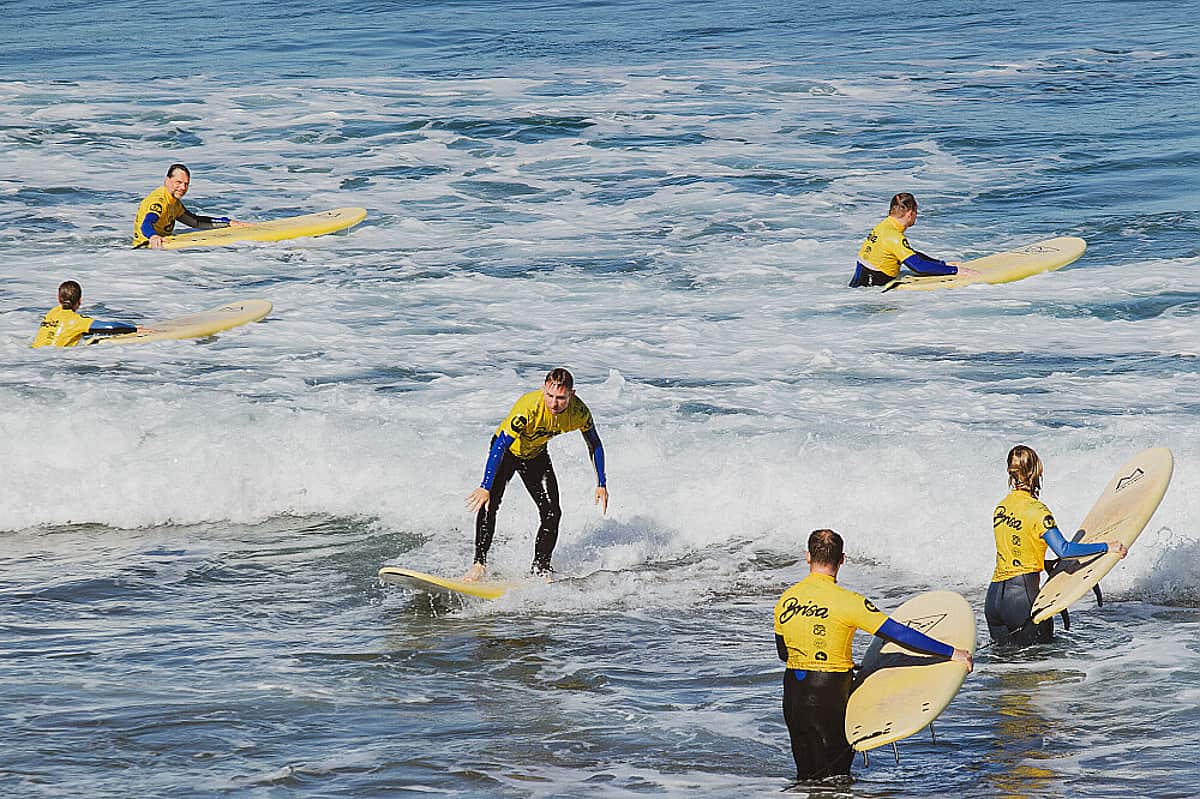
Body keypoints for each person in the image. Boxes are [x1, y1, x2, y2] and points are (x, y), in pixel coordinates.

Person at [774, 529, 973, 784]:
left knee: (806, 779)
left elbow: (783, 653)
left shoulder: (786, 599)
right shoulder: (849, 602)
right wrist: (950, 652)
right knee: (837, 779)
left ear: (807, 557)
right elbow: (898, 633)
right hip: (829, 695)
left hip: (793, 694)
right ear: (842, 559)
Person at [463, 368, 608, 581]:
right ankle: (479, 564)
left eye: (561, 398)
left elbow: (594, 443)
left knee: (552, 513)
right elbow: (501, 445)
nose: (554, 404)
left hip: (536, 455)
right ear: (543, 390)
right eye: (549, 396)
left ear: (572, 394)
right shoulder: (528, 408)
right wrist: (485, 486)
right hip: (506, 453)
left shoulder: (579, 413)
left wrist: (601, 483)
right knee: (489, 503)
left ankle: (540, 569)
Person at [986, 445, 1127, 646]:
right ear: (1036, 472)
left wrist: (1044, 563)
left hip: (993, 601)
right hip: (1021, 601)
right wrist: (1107, 547)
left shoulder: (1001, 507)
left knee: (1005, 666)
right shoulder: (1037, 511)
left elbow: (1015, 551)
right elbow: (1064, 549)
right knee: (1041, 666)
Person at [849, 192, 975, 287]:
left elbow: (910, 254)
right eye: (916, 212)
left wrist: (941, 264)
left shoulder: (883, 226)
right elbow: (918, 267)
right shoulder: (894, 236)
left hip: (859, 286)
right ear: (910, 214)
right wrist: (955, 271)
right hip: (871, 292)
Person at [132, 163, 248, 248]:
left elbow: (195, 222)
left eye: (186, 184)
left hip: (160, 248)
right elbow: (146, 223)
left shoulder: (174, 203)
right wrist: (153, 236)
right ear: (167, 180)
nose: (183, 188)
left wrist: (228, 223)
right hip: (146, 249)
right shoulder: (158, 202)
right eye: (178, 182)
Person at [32, 280, 146, 348]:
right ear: (80, 300)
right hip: (56, 358)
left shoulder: (52, 313)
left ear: (58, 299)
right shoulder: (77, 321)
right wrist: (133, 329)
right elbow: (110, 327)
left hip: (35, 354)